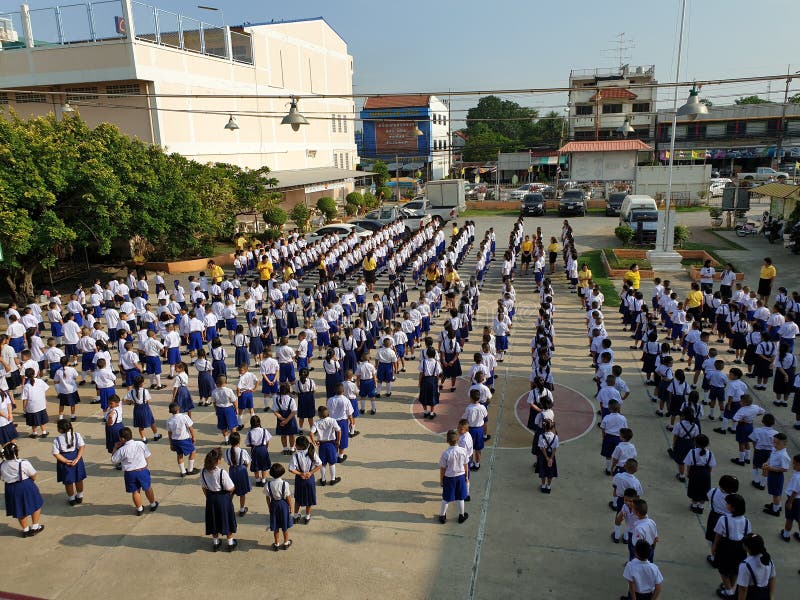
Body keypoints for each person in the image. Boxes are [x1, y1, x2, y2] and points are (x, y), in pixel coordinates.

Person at [110, 427, 159, 515]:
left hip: (130, 473)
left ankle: (139, 509)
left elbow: (114, 460)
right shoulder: (140, 444)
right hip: (142, 470)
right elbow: (147, 455)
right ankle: (153, 504)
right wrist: (146, 465)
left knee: (135, 491)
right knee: (148, 488)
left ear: (122, 439)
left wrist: (115, 447)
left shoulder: (122, 450)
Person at [1, 442, 45, 537]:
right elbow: (33, 475)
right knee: (36, 504)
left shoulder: (2, 465)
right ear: (16, 452)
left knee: (19, 508)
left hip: (10, 488)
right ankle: (35, 526)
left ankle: (25, 529)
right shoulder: (23, 463)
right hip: (25, 485)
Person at [711, 493, 750, 597]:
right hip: (741, 548)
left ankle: (729, 591)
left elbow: (718, 535)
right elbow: (747, 535)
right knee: (735, 569)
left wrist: (714, 546)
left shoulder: (724, 519)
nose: (726, 504)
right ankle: (731, 586)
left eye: (728, 503)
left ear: (733, 508)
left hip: (726, 546)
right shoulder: (746, 521)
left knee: (723, 569)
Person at [200, 447, 237, 551]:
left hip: (211, 498)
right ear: (217, 461)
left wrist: (208, 496)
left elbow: (203, 487)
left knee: (213, 520)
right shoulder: (222, 472)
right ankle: (230, 543)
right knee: (226, 519)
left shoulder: (203, 472)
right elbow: (231, 488)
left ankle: (216, 542)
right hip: (223, 498)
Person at [437, 429, 470, 524]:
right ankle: (461, 515)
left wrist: (441, 480)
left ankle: (442, 516)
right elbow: (466, 465)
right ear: (458, 439)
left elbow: (443, 468)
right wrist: (466, 477)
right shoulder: (463, 451)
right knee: (460, 497)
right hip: (460, 477)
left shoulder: (446, 453)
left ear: (447, 441)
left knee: (446, 498)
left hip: (449, 478)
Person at [52, 419, 86, 506]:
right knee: (79, 479)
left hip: (65, 460)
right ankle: (80, 496)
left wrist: (66, 461)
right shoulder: (76, 435)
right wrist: (77, 458)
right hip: (76, 458)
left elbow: (56, 453)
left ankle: (71, 499)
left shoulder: (57, 440)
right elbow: (82, 446)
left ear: (60, 429)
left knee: (68, 482)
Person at [288, 436, 321, 524]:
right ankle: (307, 516)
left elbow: (291, 469)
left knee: (298, 498)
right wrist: (310, 473)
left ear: (299, 446)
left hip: (300, 479)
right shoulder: (312, 452)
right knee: (309, 498)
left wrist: (300, 474)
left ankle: (295, 515)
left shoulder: (296, 455)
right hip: (309, 478)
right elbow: (319, 464)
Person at [735, 533, 775, 600]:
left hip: (751, 595)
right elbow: (772, 578)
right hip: (764, 594)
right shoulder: (768, 559)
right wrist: (771, 597)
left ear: (748, 548)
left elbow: (743, 589)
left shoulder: (745, 565)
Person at [309, 406, 342, 486]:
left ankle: (323, 479)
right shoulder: (332, 420)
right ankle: (333, 479)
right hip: (331, 443)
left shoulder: (317, 422)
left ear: (319, 415)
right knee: (332, 462)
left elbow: (311, 433)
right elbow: (339, 431)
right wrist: (338, 440)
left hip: (322, 444)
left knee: (323, 463)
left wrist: (314, 441)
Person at [684, 434, 716, 514]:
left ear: (696, 443)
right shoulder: (710, 453)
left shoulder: (692, 452)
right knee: (704, 490)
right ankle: (701, 507)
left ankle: (694, 505)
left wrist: (688, 473)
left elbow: (688, 464)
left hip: (695, 472)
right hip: (705, 473)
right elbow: (711, 466)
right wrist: (708, 473)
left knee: (694, 488)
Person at [265, 463, 293, 550]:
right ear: (282, 473)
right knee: (285, 525)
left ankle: (276, 544)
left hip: (274, 504)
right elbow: (288, 497)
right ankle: (286, 542)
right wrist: (290, 506)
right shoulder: (285, 484)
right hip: (283, 504)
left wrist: (269, 507)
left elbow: (267, 497)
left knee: (276, 525)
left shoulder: (268, 484)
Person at [126, 375, 162, 444]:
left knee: (140, 425)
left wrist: (131, 402)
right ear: (142, 383)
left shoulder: (131, 391)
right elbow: (149, 401)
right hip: (145, 408)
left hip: (137, 409)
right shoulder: (145, 391)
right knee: (152, 422)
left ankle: (144, 439)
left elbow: (124, 400)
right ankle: (156, 435)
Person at [165, 402, 197, 477]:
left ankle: (183, 471)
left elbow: (169, 433)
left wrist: (171, 443)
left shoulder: (169, 420)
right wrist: (194, 437)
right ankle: (190, 469)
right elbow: (190, 428)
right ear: (178, 409)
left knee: (179, 455)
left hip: (175, 440)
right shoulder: (184, 417)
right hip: (184, 439)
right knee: (193, 451)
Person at [224, 432, 252, 518]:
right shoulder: (242, 451)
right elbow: (247, 463)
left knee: (231, 490)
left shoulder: (227, 451)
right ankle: (242, 509)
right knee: (242, 492)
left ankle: (227, 508)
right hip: (241, 471)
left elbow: (228, 462)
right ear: (239, 441)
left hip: (232, 470)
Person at [21, 369, 49, 438]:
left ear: (26, 376)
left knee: (33, 420)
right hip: (41, 404)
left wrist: (24, 407)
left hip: (32, 407)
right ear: (34, 374)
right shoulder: (40, 381)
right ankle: (44, 432)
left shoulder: (26, 386)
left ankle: (34, 433)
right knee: (41, 419)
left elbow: (25, 398)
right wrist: (45, 399)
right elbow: (44, 389)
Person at [779, 453, 800, 542]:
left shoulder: (797, 477)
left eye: (796, 464)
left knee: (789, 518)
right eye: (793, 463)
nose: (793, 465)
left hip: (794, 500)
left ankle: (786, 535)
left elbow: (795, 491)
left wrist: (790, 502)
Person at [211, 375, 238, 444]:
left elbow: (214, 402)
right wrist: (236, 408)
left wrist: (216, 410)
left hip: (220, 409)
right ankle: (234, 440)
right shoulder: (229, 390)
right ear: (225, 382)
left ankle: (226, 440)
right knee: (233, 425)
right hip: (229, 408)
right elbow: (234, 401)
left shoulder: (214, 392)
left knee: (223, 426)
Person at [536, 419, 558, 494]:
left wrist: (546, 458)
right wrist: (551, 458)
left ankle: (543, 485)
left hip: (543, 456)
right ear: (552, 428)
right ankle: (548, 486)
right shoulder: (555, 437)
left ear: (545, 427)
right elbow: (554, 449)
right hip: (551, 456)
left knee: (543, 470)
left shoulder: (541, 436)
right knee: (550, 471)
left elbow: (542, 448)